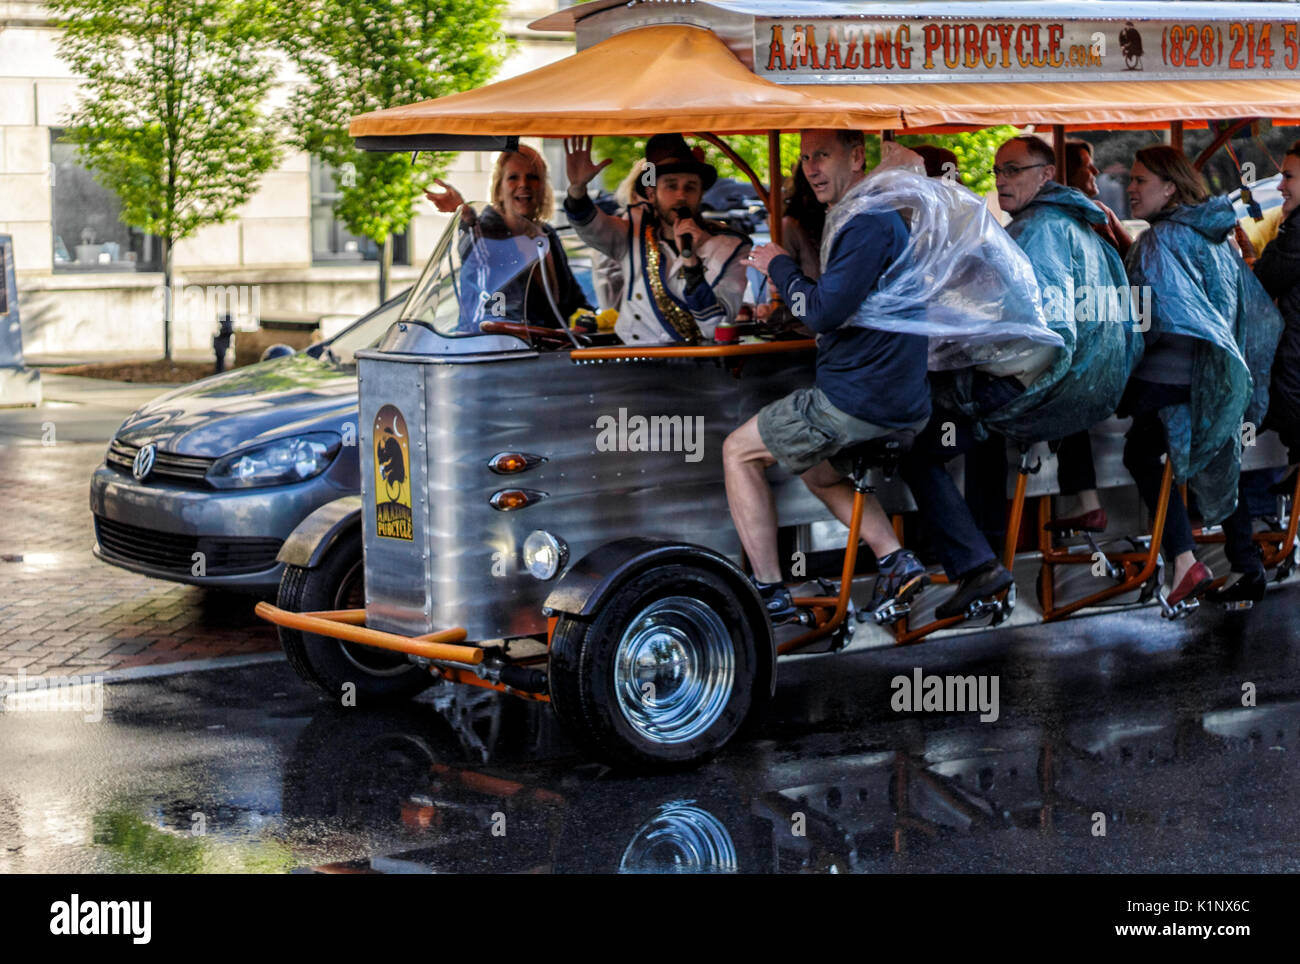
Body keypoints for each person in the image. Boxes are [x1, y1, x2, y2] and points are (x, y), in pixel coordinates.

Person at [901, 134, 1142, 618]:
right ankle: (989, 563)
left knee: (915, 446)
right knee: (980, 436)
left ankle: (977, 567)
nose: (1001, 180)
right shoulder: (1082, 221)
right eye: (997, 171)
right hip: (1082, 390)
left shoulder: (1039, 229)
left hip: (1043, 388)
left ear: (1046, 174)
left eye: (1013, 169)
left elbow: (1027, 323)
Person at [724, 129, 931, 622]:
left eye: (822, 155)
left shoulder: (866, 222)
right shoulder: (874, 216)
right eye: (804, 158)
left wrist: (780, 267)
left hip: (858, 399)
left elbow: (822, 313)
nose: (809, 167)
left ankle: (769, 590)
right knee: (815, 466)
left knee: (738, 451)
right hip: (897, 399)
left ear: (858, 157)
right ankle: (895, 560)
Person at [1121, 145, 1283, 608]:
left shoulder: (1156, 242)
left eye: (1140, 181)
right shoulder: (1217, 238)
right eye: (1130, 180)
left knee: (1141, 451)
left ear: (1169, 187)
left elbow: (1142, 322)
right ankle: (1246, 565)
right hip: (1216, 378)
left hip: (1166, 377)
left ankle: (1183, 557)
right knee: (1217, 455)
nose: (1131, 189)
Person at [1210, 141, 1300, 604]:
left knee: (1221, 435)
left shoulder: (1297, 233)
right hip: (1289, 380)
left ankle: (1243, 562)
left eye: (1289, 176)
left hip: (1291, 384)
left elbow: (1261, 283)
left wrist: (1251, 261)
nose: (1280, 184)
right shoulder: (1290, 230)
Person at [562, 133, 750, 345]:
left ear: (700, 194)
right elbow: (592, 227)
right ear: (652, 194)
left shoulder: (730, 247)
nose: (681, 196)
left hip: (699, 365)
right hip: (638, 362)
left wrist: (691, 263)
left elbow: (716, 327)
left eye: (690, 187)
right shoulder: (632, 233)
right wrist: (577, 190)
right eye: (671, 185)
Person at [1044, 139, 1137, 533]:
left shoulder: (1078, 216)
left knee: (1058, 393)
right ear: (1065, 174)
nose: (1095, 173)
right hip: (1112, 343)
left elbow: (1133, 265)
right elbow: (1135, 262)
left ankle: (1086, 500)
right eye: (1087, 166)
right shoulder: (1091, 215)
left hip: (1102, 347)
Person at [426, 144, 592, 331]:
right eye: (513, 177)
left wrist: (592, 321)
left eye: (533, 177)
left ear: (543, 188)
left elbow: (573, 301)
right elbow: (478, 257)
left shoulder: (547, 234)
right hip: (490, 348)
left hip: (547, 352)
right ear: (499, 188)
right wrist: (466, 215)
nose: (523, 184)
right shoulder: (484, 232)